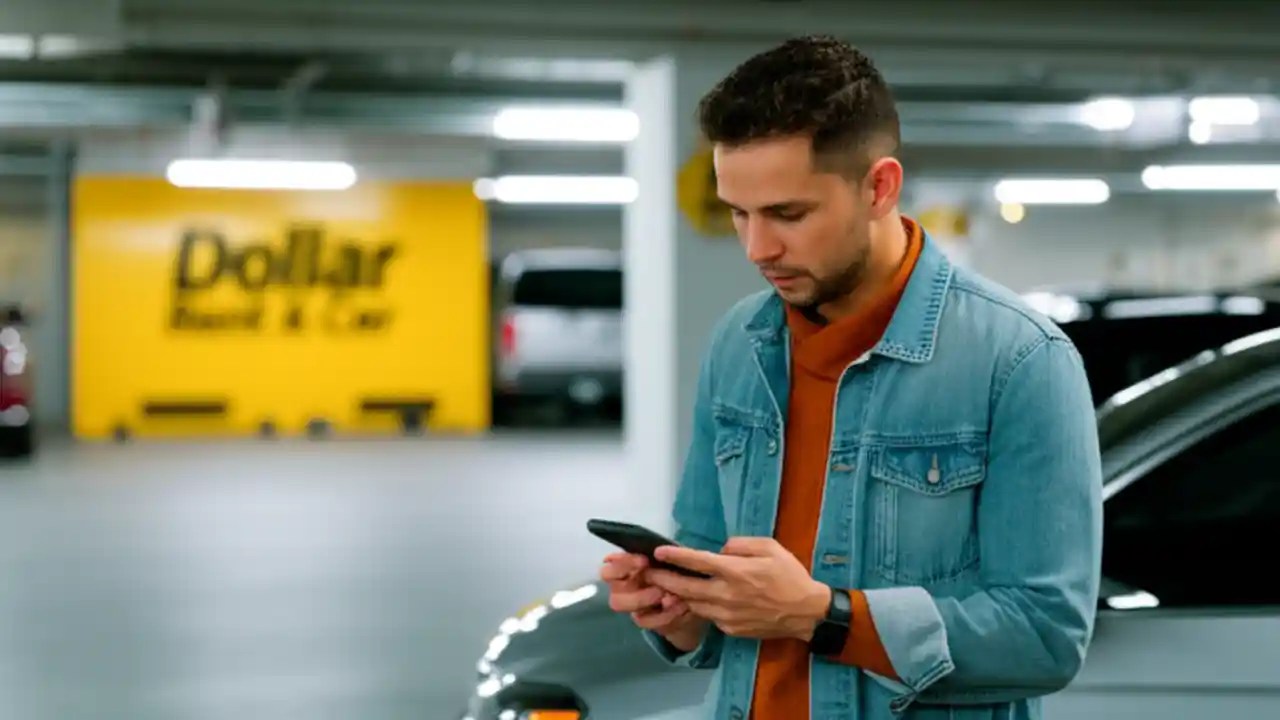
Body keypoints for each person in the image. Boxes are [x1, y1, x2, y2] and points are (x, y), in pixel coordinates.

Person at [599, 35, 1103, 720]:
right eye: (738, 213)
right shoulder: (737, 345)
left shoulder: (1020, 360)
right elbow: (713, 580)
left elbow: (1045, 637)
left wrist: (822, 615)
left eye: (788, 214)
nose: (757, 248)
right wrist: (679, 611)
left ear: (879, 187)